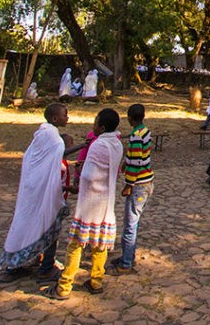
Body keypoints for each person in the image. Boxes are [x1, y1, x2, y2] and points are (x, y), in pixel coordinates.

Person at [49, 109, 124, 300]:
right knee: (100, 245)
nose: (93, 125)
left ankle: (64, 285)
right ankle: (96, 280)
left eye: (95, 122)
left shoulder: (99, 145)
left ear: (102, 127)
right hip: (106, 202)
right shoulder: (116, 143)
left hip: (91, 202)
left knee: (75, 245)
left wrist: (80, 174)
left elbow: (89, 175)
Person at [0, 103, 71, 283]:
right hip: (44, 191)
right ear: (55, 118)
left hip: (32, 189)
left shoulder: (42, 134)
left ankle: (22, 261)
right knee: (49, 224)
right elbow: (56, 161)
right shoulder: (53, 139)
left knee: (27, 224)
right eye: (65, 114)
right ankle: (46, 267)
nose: (67, 117)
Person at [109, 104, 154, 276]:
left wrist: (128, 184)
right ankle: (128, 255)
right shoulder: (145, 131)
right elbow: (137, 156)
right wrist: (125, 161)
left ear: (130, 118)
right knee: (133, 222)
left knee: (130, 224)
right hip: (146, 180)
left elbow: (136, 162)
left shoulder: (136, 136)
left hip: (138, 184)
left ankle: (126, 263)